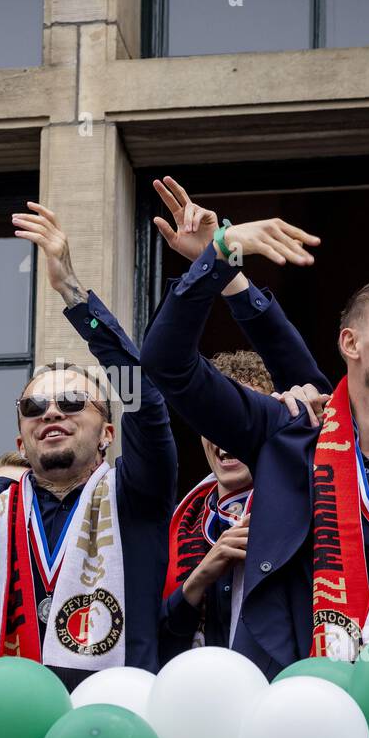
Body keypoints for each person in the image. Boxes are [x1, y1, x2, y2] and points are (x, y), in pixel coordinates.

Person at [140, 223, 369, 674]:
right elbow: (168, 363)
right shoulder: (285, 433)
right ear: (351, 343)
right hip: (290, 698)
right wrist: (220, 256)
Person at [0, 203, 178, 689]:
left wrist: (73, 294)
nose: (51, 412)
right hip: (18, 723)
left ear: (108, 433)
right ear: (20, 441)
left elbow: (144, 397)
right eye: (33, 408)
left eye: (71, 402)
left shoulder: (137, 494)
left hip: (119, 722)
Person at [149, 178, 332, 660]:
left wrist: (224, 265)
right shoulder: (184, 518)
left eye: (245, 418)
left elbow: (311, 385)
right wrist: (201, 577)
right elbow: (158, 634)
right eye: (219, 421)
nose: (227, 436)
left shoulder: (318, 474)